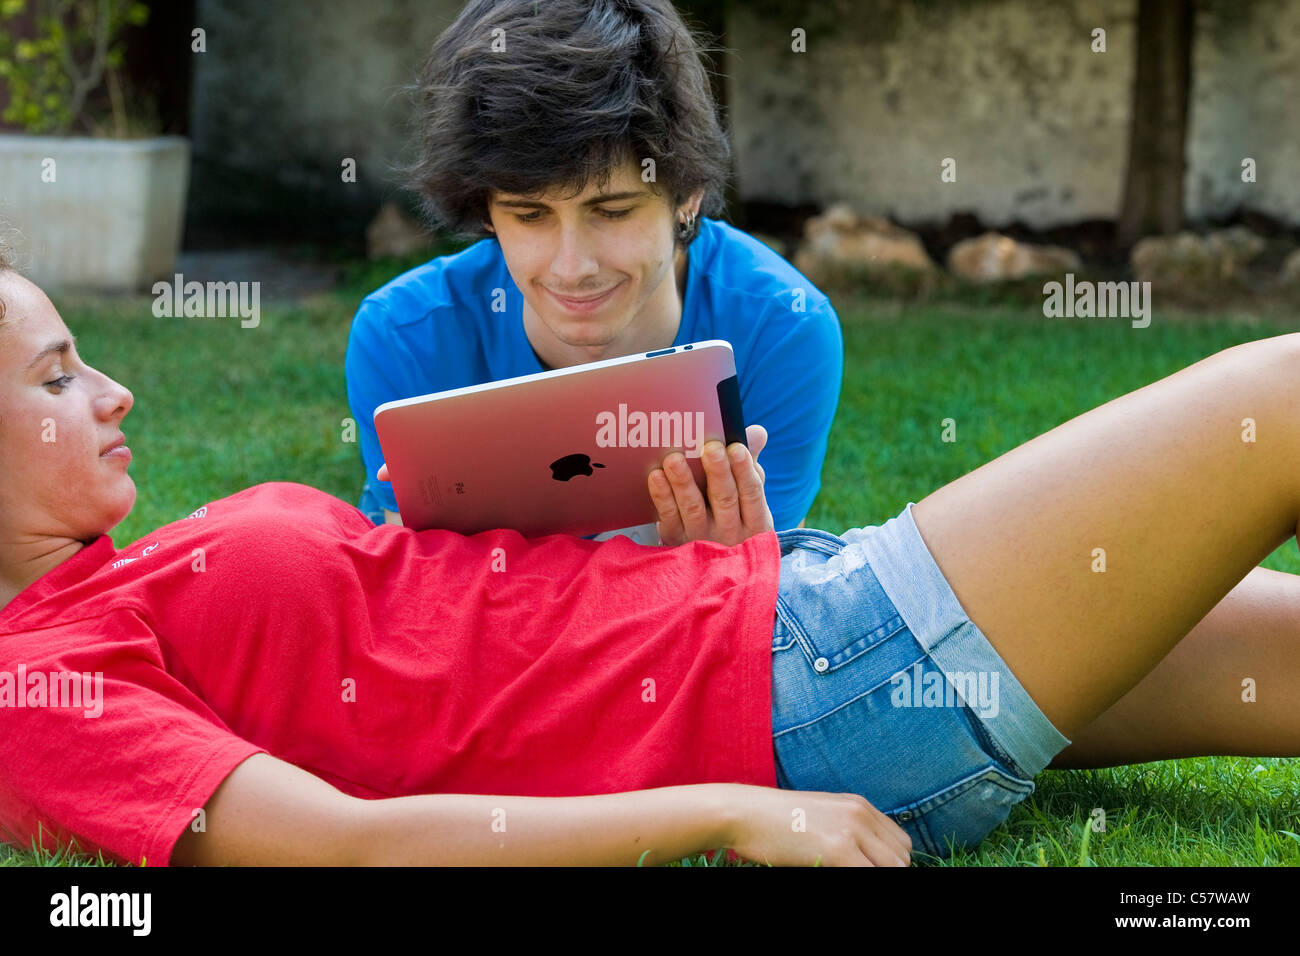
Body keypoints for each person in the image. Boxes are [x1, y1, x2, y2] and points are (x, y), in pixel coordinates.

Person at [7, 251, 1300, 867]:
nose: (113, 393)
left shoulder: (106, 581)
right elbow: (347, 848)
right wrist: (734, 809)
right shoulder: (32, 690)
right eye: (58, 379)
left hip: (785, 612)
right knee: (1277, 401)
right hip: (811, 683)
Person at [346, 0, 842, 542]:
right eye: (530, 215)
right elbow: (429, 606)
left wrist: (724, 572)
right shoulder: (404, 337)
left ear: (688, 196)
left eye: (612, 211)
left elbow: (752, 598)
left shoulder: (782, 330)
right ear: (484, 208)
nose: (572, 266)